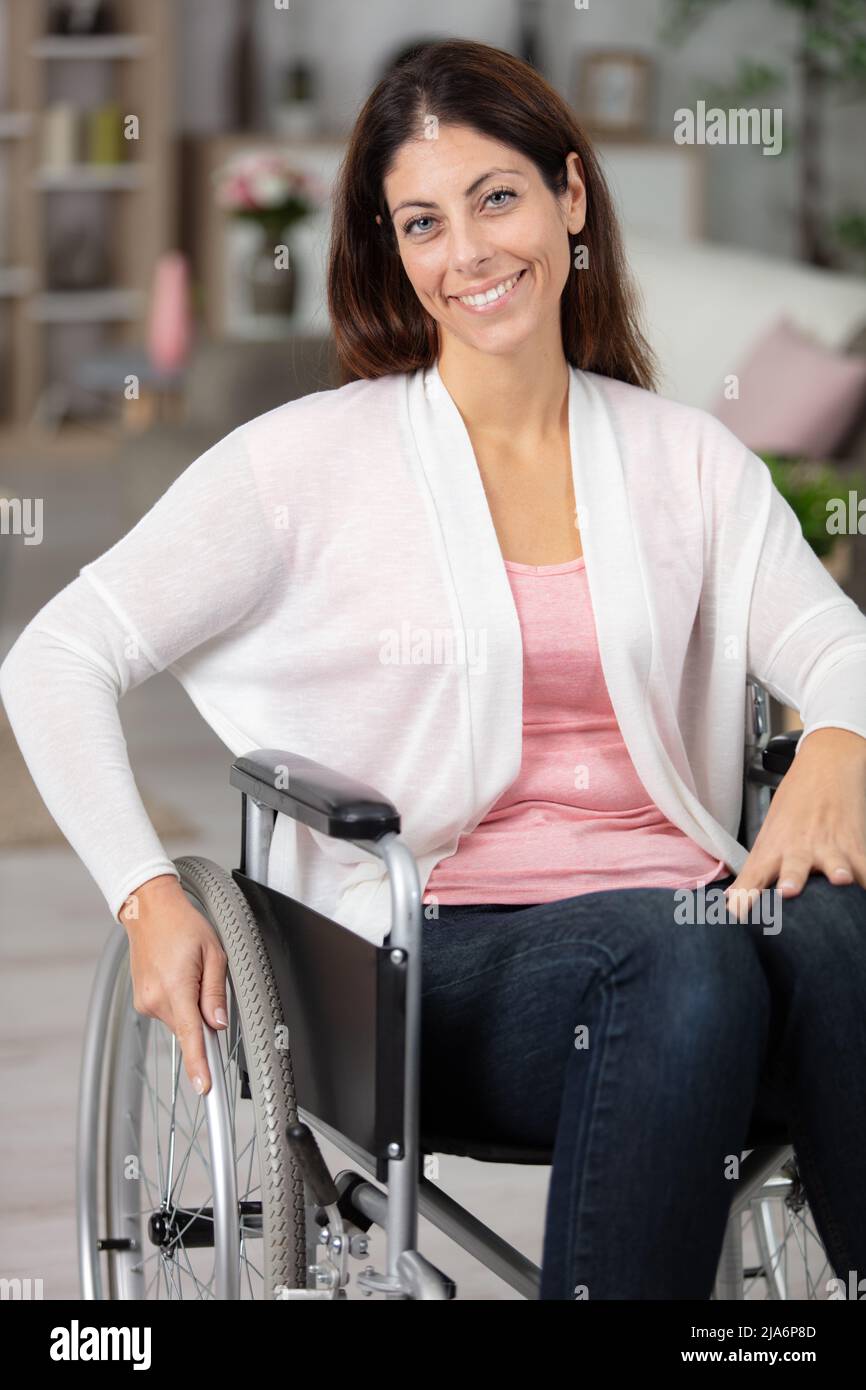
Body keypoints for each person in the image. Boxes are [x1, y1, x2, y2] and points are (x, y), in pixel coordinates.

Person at [3, 37, 866, 1300]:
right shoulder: (304, 465)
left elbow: (833, 643)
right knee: (685, 957)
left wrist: (837, 742)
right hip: (430, 962)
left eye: (497, 198)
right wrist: (144, 895)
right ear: (392, 249)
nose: (467, 252)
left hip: (694, 936)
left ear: (570, 198)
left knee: (830, 918)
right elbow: (56, 655)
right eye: (422, 220)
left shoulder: (685, 459)